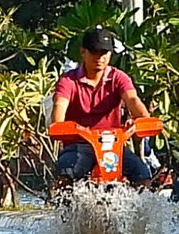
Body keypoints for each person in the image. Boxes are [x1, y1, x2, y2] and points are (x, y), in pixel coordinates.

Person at [50, 26, 153, 185]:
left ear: (110, 54)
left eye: (104, 53)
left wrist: (142, 119)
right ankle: (65, 209)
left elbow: (132, 99)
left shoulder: (119, 78)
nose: (99, 57)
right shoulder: (68, 81)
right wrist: (59, 125)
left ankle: (140, 209)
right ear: (83, 52)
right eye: (94, 52)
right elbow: (60, 104)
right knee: (66, 172)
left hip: (112, 146)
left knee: (142, 174)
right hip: (79, 145)